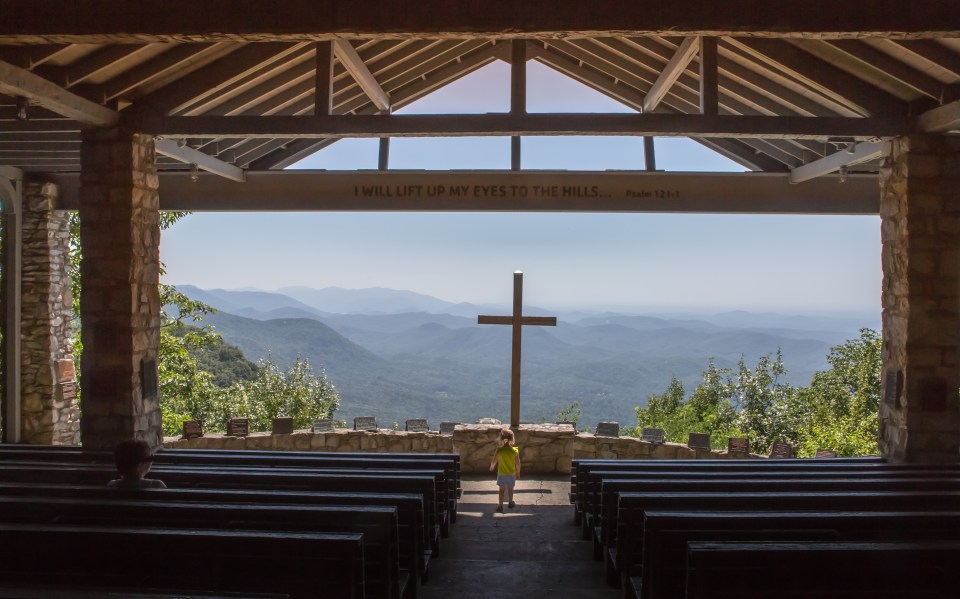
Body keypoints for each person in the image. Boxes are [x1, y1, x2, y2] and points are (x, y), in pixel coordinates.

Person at [488, 427, 521, 513]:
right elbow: (518, 464)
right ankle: (510, 502)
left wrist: (492, 467)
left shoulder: (499, 450)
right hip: (511, 473)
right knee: (510, 489)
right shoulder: (515, 451)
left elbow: (494, 461)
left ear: (501, 439)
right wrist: (518, 472)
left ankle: (500, 506)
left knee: (501, 490)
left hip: (501, 474)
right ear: (512, 439)